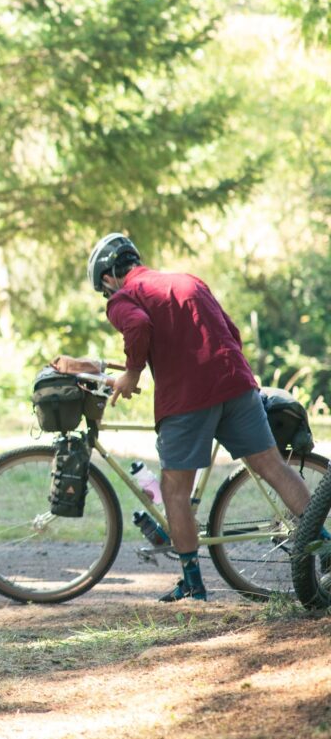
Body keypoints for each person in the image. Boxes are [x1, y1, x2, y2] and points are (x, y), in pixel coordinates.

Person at [77, 232, 314, 602]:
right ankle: (324, 546)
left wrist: (133, 373)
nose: (108, 297)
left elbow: (137, 326)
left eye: (104, 290)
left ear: (108, 278)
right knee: (272, 466)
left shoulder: (124, 297)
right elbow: (230, 330)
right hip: (236, 382)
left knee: (175, 489)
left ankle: (192, 583)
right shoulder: (189, 281)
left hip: (188, 397)